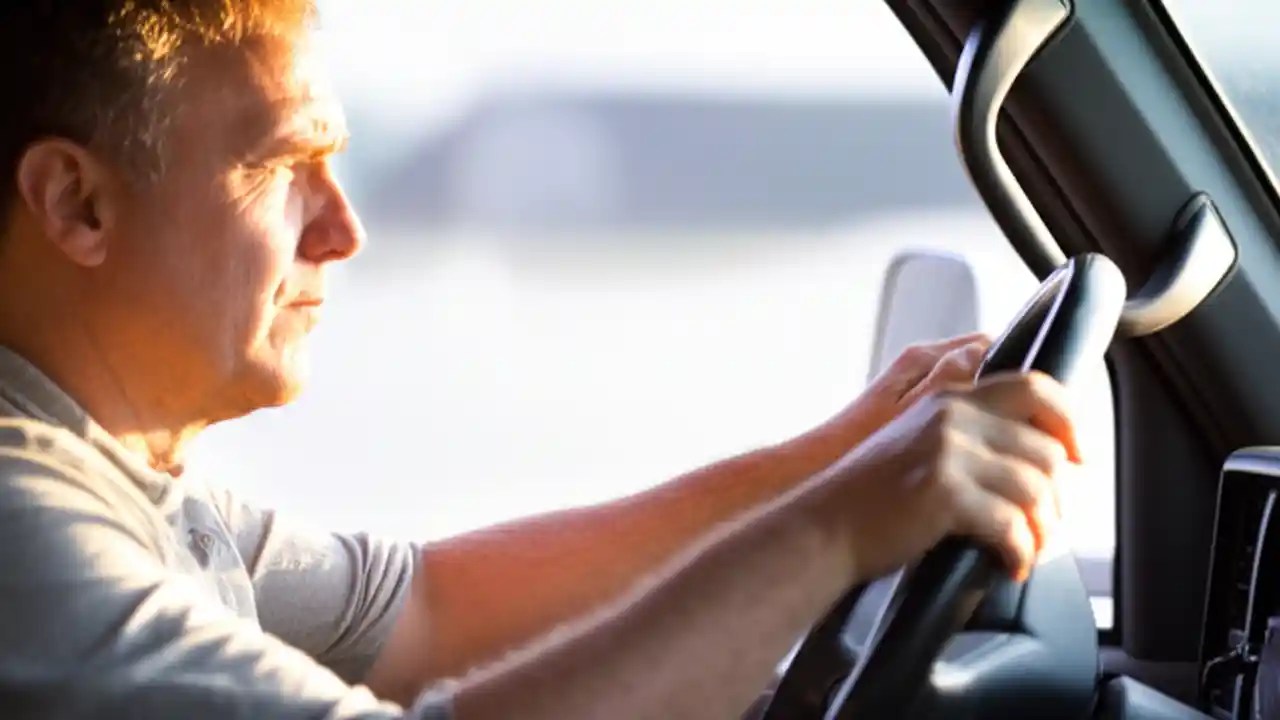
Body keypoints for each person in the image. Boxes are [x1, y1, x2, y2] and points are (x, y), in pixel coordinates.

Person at [0, 3, 1081, 719]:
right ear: (77, 203)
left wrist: (839, 458)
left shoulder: (122, 483)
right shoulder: (23, 534)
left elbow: (428, 611)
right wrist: (834, 528)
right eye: (283, 165)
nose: (343, 229)